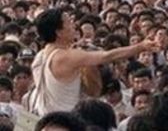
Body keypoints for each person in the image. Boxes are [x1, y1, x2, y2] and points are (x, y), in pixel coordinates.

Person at [29, 8, 157, 115]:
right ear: (58, 32)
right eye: (68, 22)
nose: (74, 25)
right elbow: (107, 56)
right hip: (66, 121)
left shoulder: (40, 56)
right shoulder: (66, 56)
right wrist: (141, 46)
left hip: (46, 120)